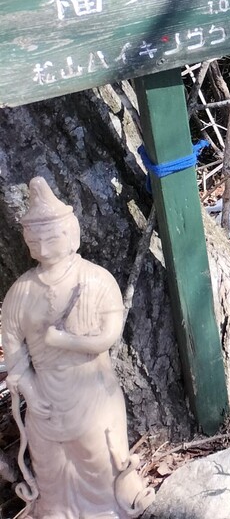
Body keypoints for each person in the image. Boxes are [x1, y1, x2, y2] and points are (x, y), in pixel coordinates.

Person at [2, 177, 152, 519]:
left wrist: (64, 340)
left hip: (89, 390)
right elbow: (12, 348)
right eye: (33, 239)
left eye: (51, 236)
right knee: (50, 461)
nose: (42, 245)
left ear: (72, 236)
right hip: (43, 393)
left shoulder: (96, 281)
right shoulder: (20, 292)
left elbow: (107, 337)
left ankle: (105, 509)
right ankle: (56, 510)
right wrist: (28, 388)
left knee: (96, 456)